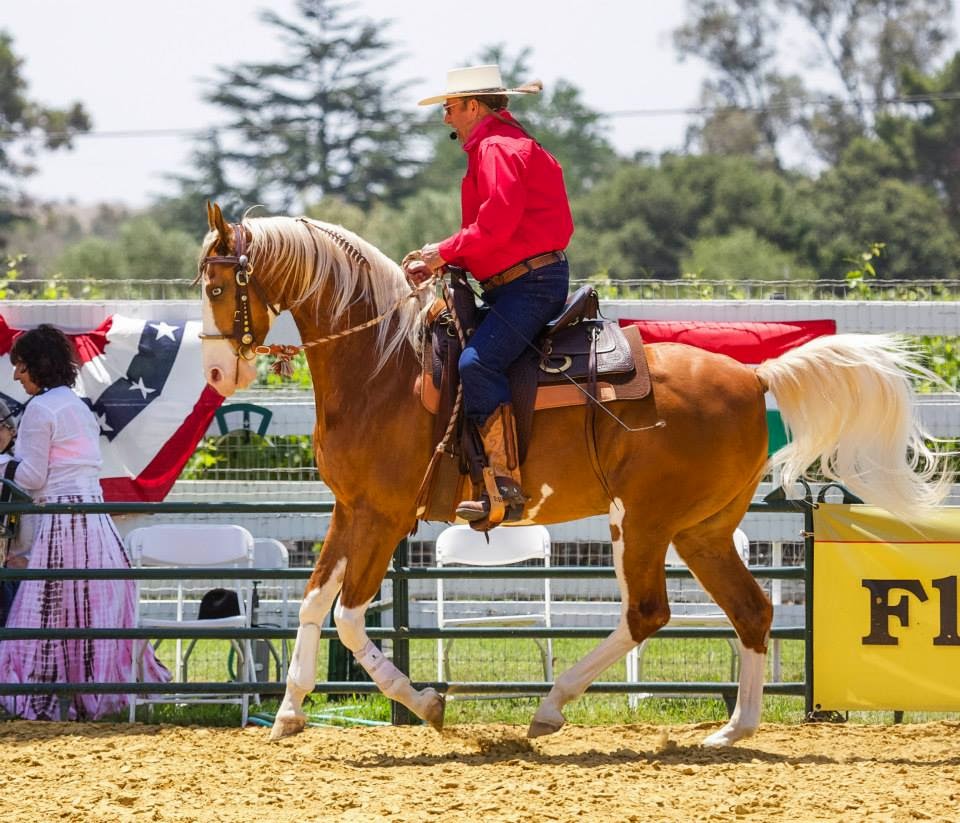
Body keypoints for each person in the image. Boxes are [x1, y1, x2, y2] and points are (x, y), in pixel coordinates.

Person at [404, 64, 574, 526]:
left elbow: (496, 224)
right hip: (522, 280)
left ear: (473, 107)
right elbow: (499, 231)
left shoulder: (497, 148)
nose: (445, 118)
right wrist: (447, 258)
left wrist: (443, 251)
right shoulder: (506, 146)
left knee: (477, 363)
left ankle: (503, 484)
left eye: (450, 107)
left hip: (529, 285)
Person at [0, 324, 169, 720]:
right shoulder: (75, 404)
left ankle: (45, 692)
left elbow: (32, 478)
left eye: (20, 366)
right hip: (92, 517)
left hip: (61, 519)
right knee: (86, 607)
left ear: (37, 365)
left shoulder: (42, 409)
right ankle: (94, 688)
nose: (16, 375)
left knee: (48, 608)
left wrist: (2, 463)